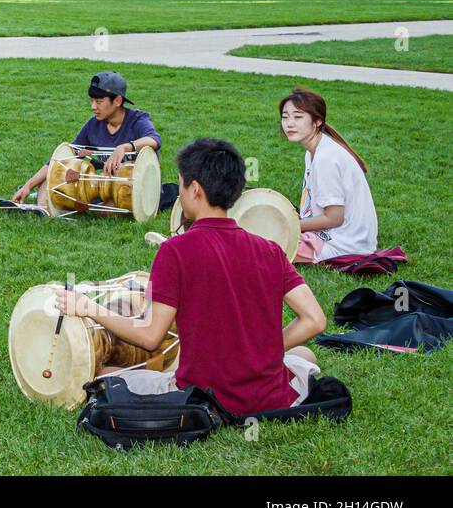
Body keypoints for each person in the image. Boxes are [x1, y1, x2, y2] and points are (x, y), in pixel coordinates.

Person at [53, 138, 326, 415]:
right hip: (271, 395)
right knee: (304, 356)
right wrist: (262, 355)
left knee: (102, 375)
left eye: (181, 184)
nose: (180, 193)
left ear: (195, 189)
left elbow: (150, 336)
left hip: (204, 396)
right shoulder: (270, 250)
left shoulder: (175, 251)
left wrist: (88, 307)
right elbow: (315, 320)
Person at [13, 72, 163, 210]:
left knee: (107, 207)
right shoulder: (93, 125)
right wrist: (28, 185)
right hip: (106, 186)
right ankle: (42, 208)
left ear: (117, 100)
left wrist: (124, 147)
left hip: (140, 190)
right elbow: (64, 158)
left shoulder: (138, 120)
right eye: (92, 101)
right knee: (55, 177)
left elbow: (154, 139)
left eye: (99, 101)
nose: (93, 107)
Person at [280, 87, 378, 263]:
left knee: (262, 245)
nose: (289, 123)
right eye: (285, 117)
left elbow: (334, 218)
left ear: (317, 121)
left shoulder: (326, 158)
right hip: (339, 238)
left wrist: (289, 226)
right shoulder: (316, 151)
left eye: (298, 117)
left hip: (343, 246)